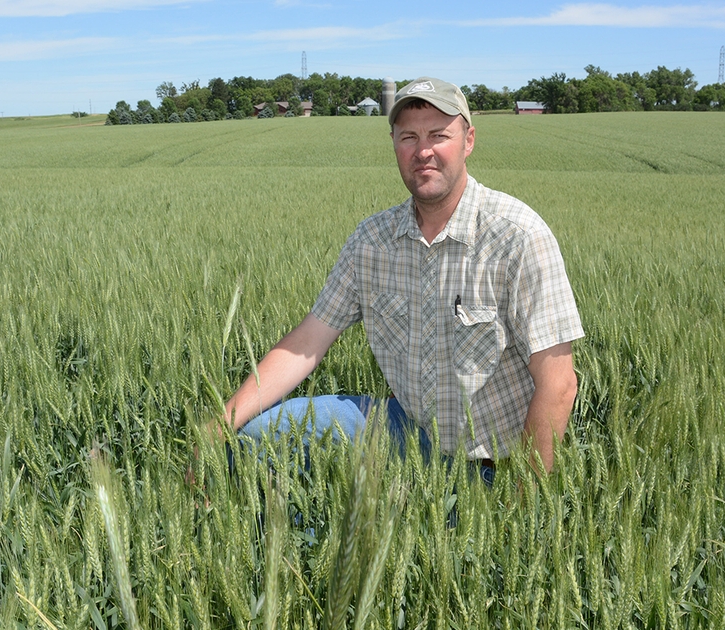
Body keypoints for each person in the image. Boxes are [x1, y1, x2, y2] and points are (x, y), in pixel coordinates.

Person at [220, 77, 583, 475]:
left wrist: (525, 501)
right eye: (409, 137)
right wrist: (218, 427)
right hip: (404, 428)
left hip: (489, 461)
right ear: (393, 142)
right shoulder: (371, 241)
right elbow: (306, 342)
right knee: (258, 436)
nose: (423, 151)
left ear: (468, 140)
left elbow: (558, 384)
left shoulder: (518, 237)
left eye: (438, 135)